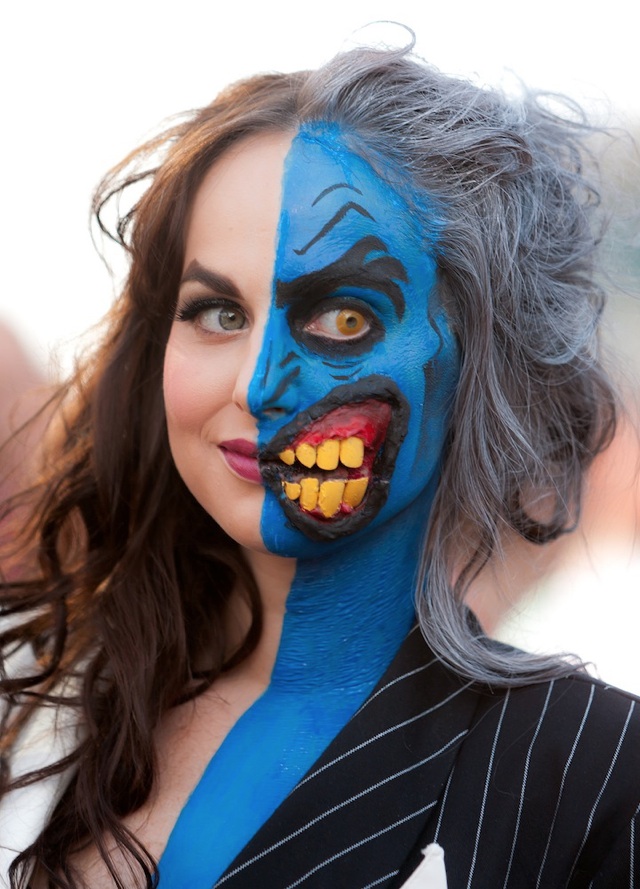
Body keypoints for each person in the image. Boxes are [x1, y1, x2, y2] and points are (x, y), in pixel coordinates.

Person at [1, 41, 639, 889]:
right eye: (218, 310)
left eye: (342, 316)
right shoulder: (51, 708)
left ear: (476, 362)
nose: (258, 383)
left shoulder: (594, 779)